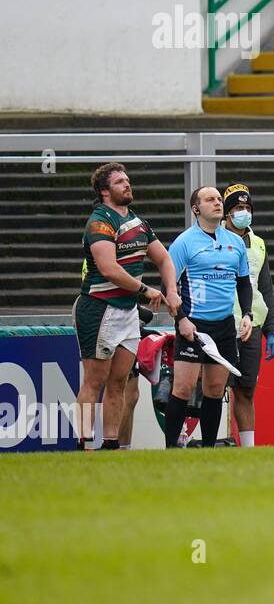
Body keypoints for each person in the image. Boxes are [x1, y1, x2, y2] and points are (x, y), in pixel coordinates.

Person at [74, 162, 179, 450]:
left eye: (128, 180)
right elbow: (109, 269)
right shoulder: (100, 222)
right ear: (105, 191)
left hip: (127, 312)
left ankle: (110, 444)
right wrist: (146, 290)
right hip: (99, 308)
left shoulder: (139, 223)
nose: (127, 184)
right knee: (94, 381)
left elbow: (164, 259)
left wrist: (171, 290)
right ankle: (82, 444)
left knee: (119, 381)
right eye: (120, 181)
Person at [165, 186, 253, 448]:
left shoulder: (235, 242)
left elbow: (244, 283)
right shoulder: (184, 242)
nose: (217, 203)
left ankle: (209, 450)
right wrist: (181, 318)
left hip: (225, 326)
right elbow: (168, 286)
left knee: (215, 390)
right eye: (209, 199)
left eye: (218, 199)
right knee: (182, 389)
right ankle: (170, 450)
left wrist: (246, 314)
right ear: (196, 209)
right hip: (194, 324)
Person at [220, 183, 274, 447]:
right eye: (237, 208)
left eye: (247, 208)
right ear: (226, 213)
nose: (243, 212)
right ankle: (195, 444)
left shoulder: (258, 245)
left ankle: (248, 449)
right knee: (211, 390)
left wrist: (272, 329)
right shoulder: (213, 238)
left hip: (251, 326)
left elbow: (265, 289)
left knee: (246, 390)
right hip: (219, 324)